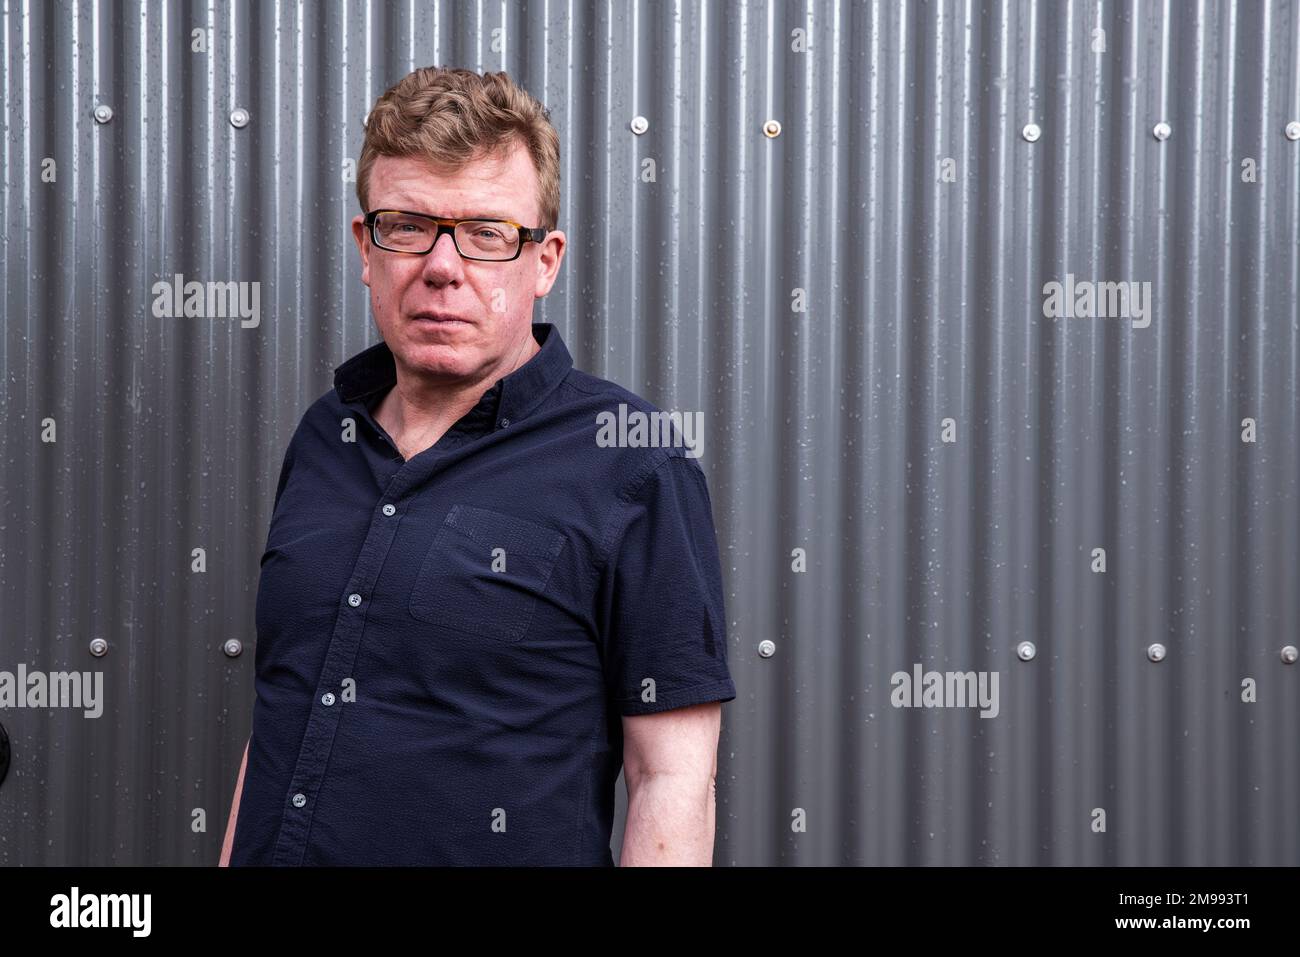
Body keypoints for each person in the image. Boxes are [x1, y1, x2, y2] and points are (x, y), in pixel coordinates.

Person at [219, 66, 736, 866]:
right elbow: (282, 716)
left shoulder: (634, 463)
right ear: (366, 246)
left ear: (545, 259)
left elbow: (672, 778)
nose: (441, 266)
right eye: (407, 225)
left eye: (487, 233)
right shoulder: (327, 436)